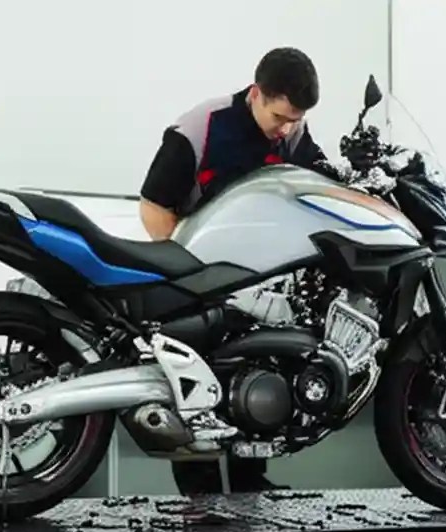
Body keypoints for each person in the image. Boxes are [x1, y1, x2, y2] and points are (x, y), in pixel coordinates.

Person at [137, 47, 329, 496]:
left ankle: (251, 490)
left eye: (296, 119)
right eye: (280, 117)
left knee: (259, 374)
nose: (287, 128)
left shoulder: (293, 130)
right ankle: (200, 505)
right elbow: (153, 207)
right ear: (257, 94)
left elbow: (319, 179)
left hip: (259, 280)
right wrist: (187, 275)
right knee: (196, 390)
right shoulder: (203, 125)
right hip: (199, 278)